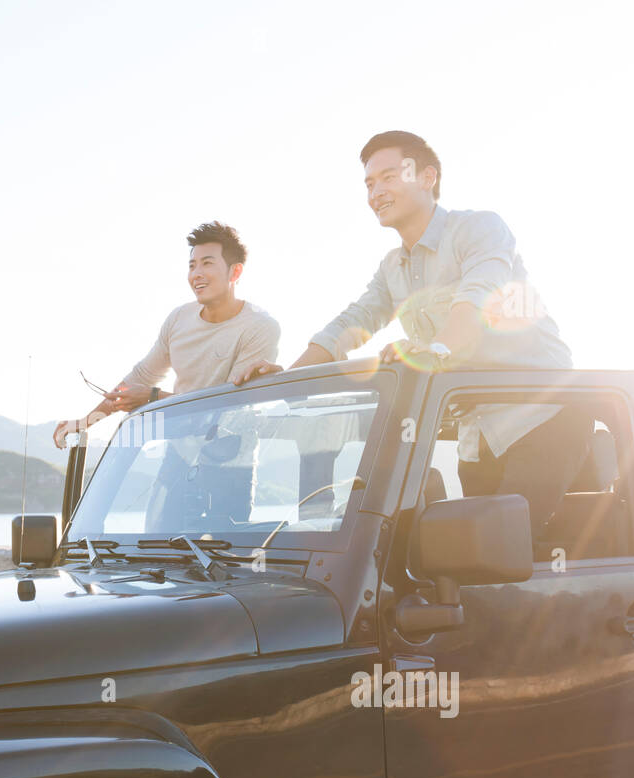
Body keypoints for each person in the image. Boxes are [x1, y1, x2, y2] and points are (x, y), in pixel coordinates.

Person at [236, 130, 589, 542]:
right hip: (477, 434)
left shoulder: (479, 228)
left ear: (427, 178)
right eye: (369, 183)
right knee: (467, 570)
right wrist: (285, 380)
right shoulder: (392, 268)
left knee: (499, 551)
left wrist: (433, 350)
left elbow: (478, 299)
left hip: (545, 418)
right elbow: (353, 322)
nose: (376, 192)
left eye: (388, 177)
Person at [53, 221, 280, 449]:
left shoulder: (259, 327)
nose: (197, 274)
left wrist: (153, 397)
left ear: (235, 271)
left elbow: (228, 407)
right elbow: (140, 376)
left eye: (207, 264)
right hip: (176, 459)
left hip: (229, 465)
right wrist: (86, 421)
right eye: (192, 266)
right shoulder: (179, 319)